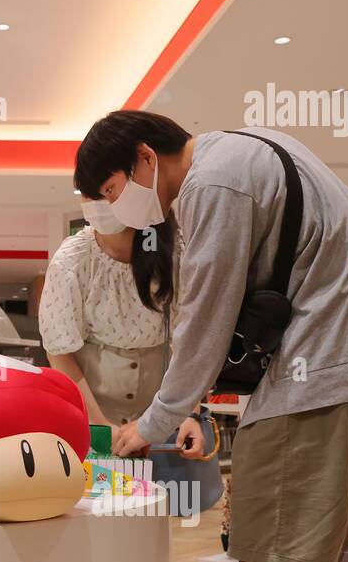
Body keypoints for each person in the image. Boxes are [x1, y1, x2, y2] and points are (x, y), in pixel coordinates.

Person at [73, 110, 348, 562]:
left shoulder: (210, 185)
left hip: (320, 374)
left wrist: (150, 424)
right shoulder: (254, 143)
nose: (116, 209)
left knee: (264, 560)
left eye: (112, 192)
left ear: (145, 157)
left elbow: (205, 322)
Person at [39, 197, 221, 511]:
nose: (96, 203)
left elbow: (192, 344)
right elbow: (60, 350)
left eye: (108, 190)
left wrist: (188, 412)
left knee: (160, 520)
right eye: (88, 192)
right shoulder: (73, 258)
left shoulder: (175, 251)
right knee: (94, 519)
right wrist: (100, 426)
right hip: (91, 410)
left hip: (164, 412)